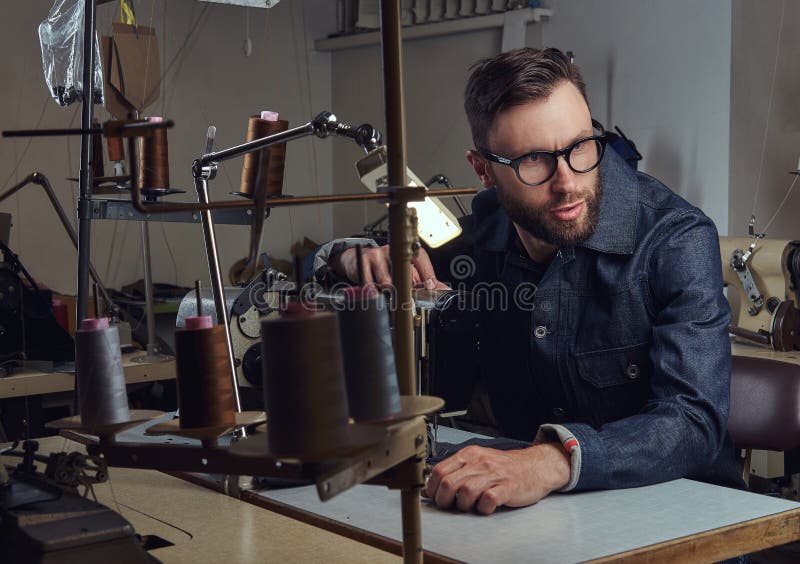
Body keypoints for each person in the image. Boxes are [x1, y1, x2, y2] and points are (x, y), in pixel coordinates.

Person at [313, 47, 742, 515]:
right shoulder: (483, 230)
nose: (568, 182)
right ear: (483, 171)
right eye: (534, 160)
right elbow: (391, 259)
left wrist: (552, 461)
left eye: (580, 146)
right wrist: (353, 259)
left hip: (683, 516)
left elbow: (693, 421)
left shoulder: (675, 238)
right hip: (542, 518)